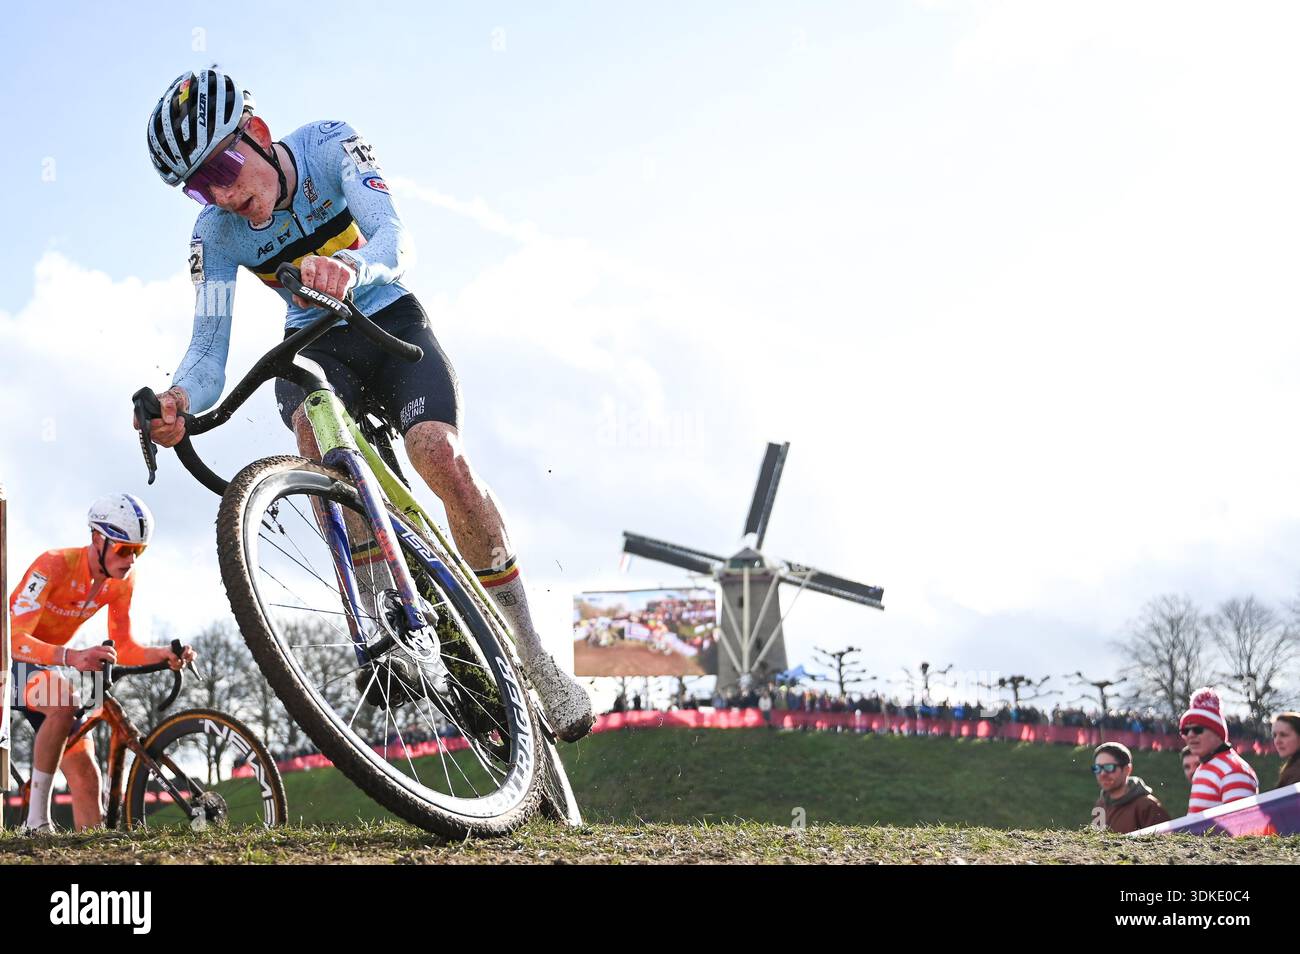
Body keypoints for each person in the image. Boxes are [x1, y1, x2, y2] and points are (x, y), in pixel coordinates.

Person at [141, 69, 592, 741]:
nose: (224, 194)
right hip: (314, 347)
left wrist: (352, 269)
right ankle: (384, 619)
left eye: (226, 168)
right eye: (201, 187)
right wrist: (177, 398)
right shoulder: (216, 235)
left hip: (388, 322)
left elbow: (394, 239)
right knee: (315, 437)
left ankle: (532, 652)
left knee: (439, 455)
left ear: (257, 136)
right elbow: (208, 351)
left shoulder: (329, 145)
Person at [9, 495, 195, 832]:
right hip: (10, 658)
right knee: (65, 698)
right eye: (124, 550)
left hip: (45, 664)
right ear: (98, 538)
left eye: (139, 552)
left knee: (86, 775)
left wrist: (163, 654)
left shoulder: (120, 582)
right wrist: (73, 657)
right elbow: (14, 638)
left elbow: (123, 646)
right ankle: (36, 822)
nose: (130, 561)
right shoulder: (53, 564)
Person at [1180, 687, 1258, 813]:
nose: (1190, 735)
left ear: (1216, 732)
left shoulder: (1233, 770)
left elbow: (1241, 827)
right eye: (1185, 730)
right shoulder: (1205, 767)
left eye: (1198, 729)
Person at [1090, 742, 1171, 834]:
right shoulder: (1100, 805)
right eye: (1097, 768)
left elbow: (1164, 843)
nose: (1102, 774)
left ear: (1127, 770)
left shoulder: (1147, 806)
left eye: (1109, 767)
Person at [1271, 712, 1300, 789]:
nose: (1277, 741)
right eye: (1274, 735)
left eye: (1283, 735)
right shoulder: (1292, 768)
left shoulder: (1296, 772)